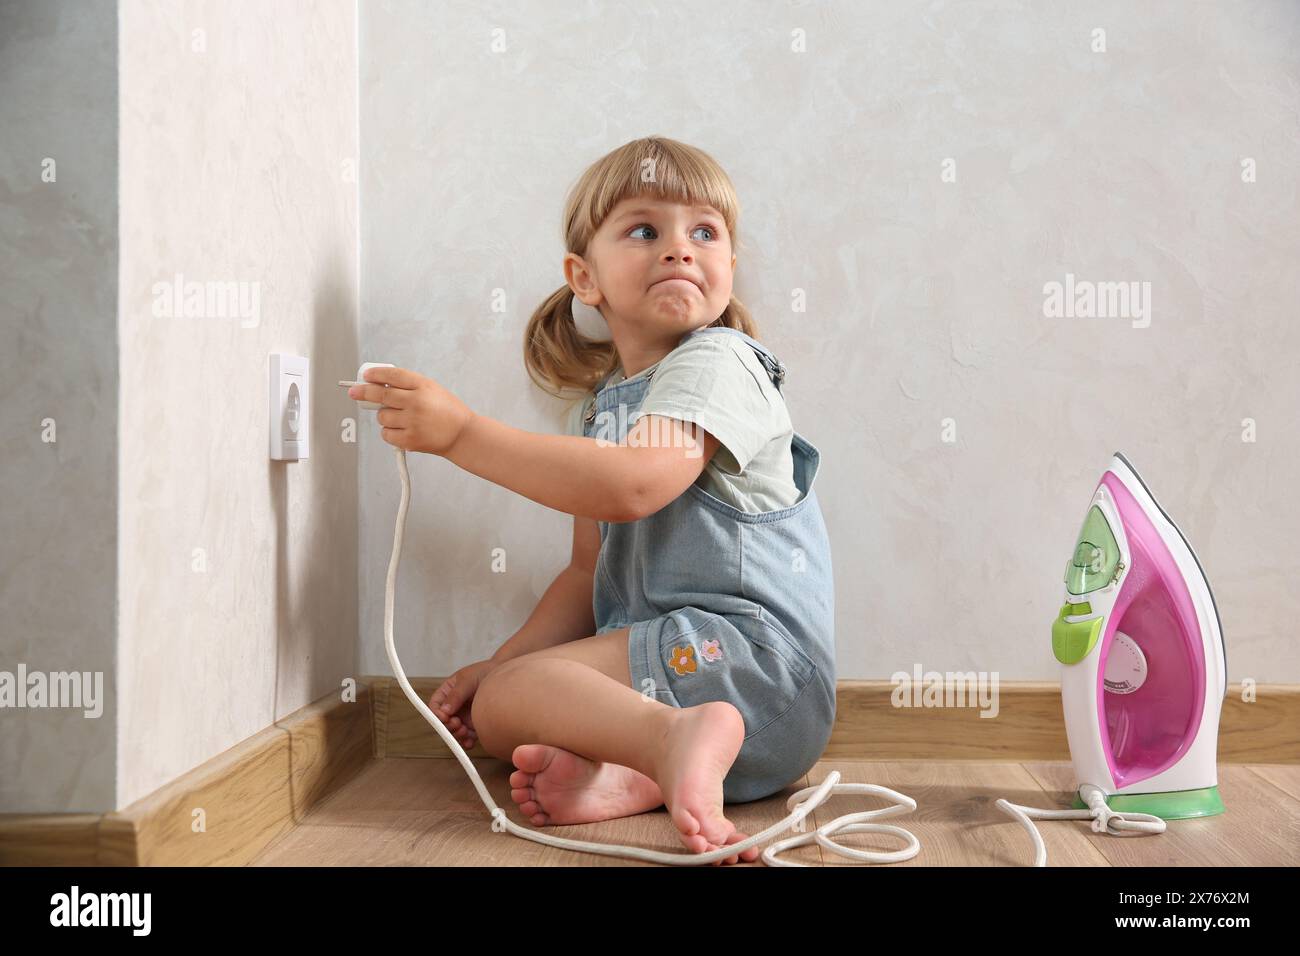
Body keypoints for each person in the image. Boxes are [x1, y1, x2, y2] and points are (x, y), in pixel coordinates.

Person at [348, 136, 835, 865]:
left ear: (729, 269)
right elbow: (585, 575)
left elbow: (633, 485)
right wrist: (500, 664)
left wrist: (463, 436)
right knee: (503, 705)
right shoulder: (605, 410)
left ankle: (671, 741)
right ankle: (644, 770)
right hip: (707, 700)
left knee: (514, 699)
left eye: (704, 232)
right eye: (646, 231)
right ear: (585, 277)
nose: (679, 249)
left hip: (752, 667)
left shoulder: (719, 363)